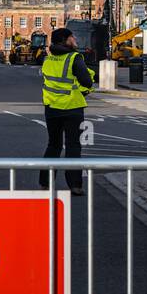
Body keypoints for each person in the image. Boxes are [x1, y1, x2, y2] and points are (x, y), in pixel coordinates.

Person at [39, 26, 95, 197]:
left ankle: (45, 182)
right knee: (73, 146)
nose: (75, 40)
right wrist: (86, 85)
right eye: (72, 38)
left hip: (52, 108)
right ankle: (75, 185)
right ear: (65, 40)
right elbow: (86, 82)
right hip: (72, 108)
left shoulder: (48, 59)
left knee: (53, 145)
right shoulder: (74, 58)